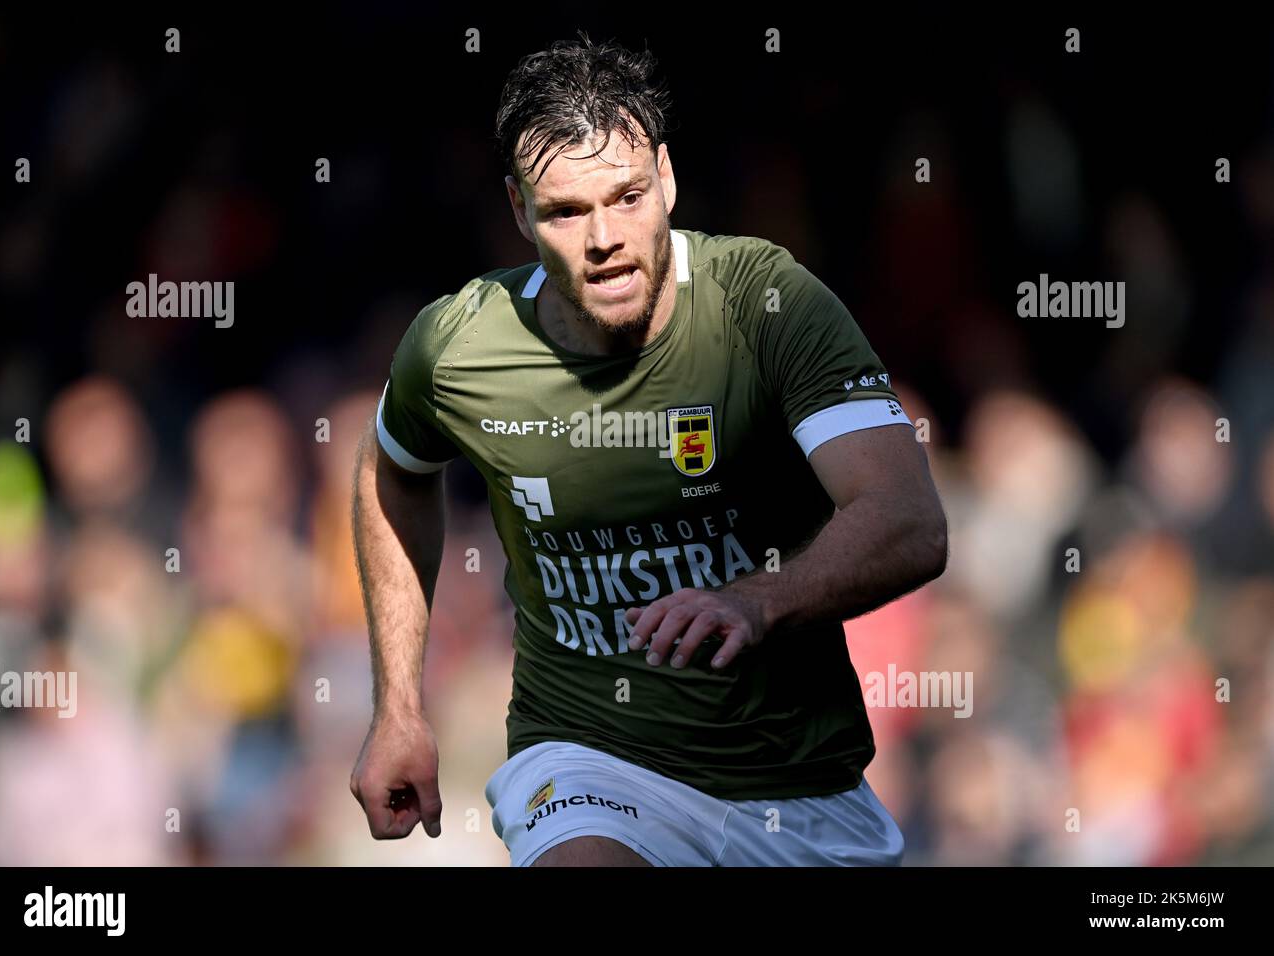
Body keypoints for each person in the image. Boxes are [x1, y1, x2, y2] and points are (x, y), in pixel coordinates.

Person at [350, 34, 947, 867]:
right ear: (519, 211)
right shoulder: (457, 346)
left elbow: (908, 518)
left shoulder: (767, 305)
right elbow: (391, 473)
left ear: (665, 178)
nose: (604, 237)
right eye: (566, 212)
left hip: (798, 789)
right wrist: (398, 707)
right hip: (583, 757)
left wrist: (757, 601)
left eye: (627, 196)